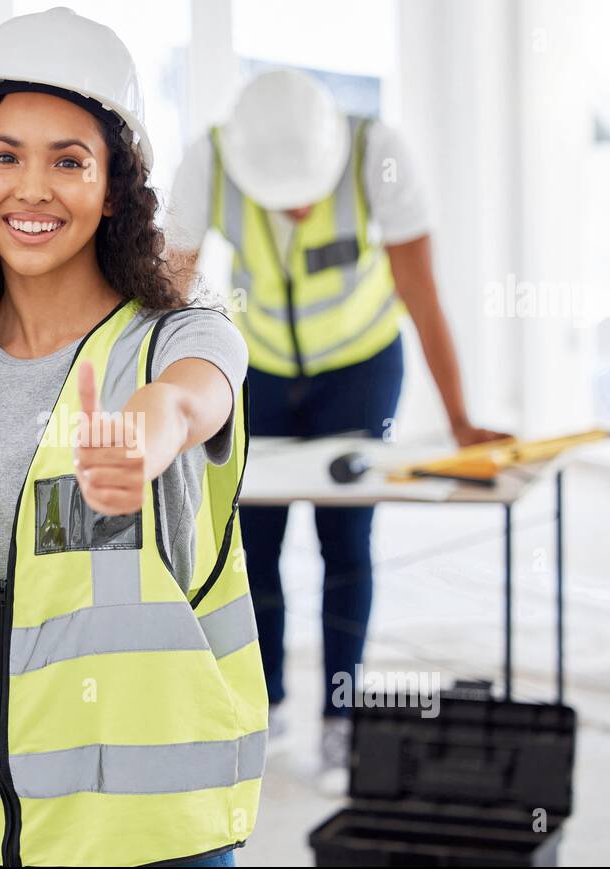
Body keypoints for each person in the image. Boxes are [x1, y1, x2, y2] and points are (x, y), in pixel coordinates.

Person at [0, 8, 267, 867]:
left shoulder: (180, 339)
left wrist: (142, 436)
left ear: (114, 187)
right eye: (5, 157)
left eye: (69, 161)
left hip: (149, 832)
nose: (32, 188)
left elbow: (189, 402)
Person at [164, 70, 509, 788]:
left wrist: (460, 421)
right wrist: (156, 406)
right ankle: (267, 704)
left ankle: (340, 719)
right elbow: (170, 290)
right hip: (258, 367)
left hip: (361, 368)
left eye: (309, 192)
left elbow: (420, 290)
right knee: (252, 541)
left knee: (346, 540)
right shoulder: (210, 160)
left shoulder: (378, 152)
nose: (298, 206)